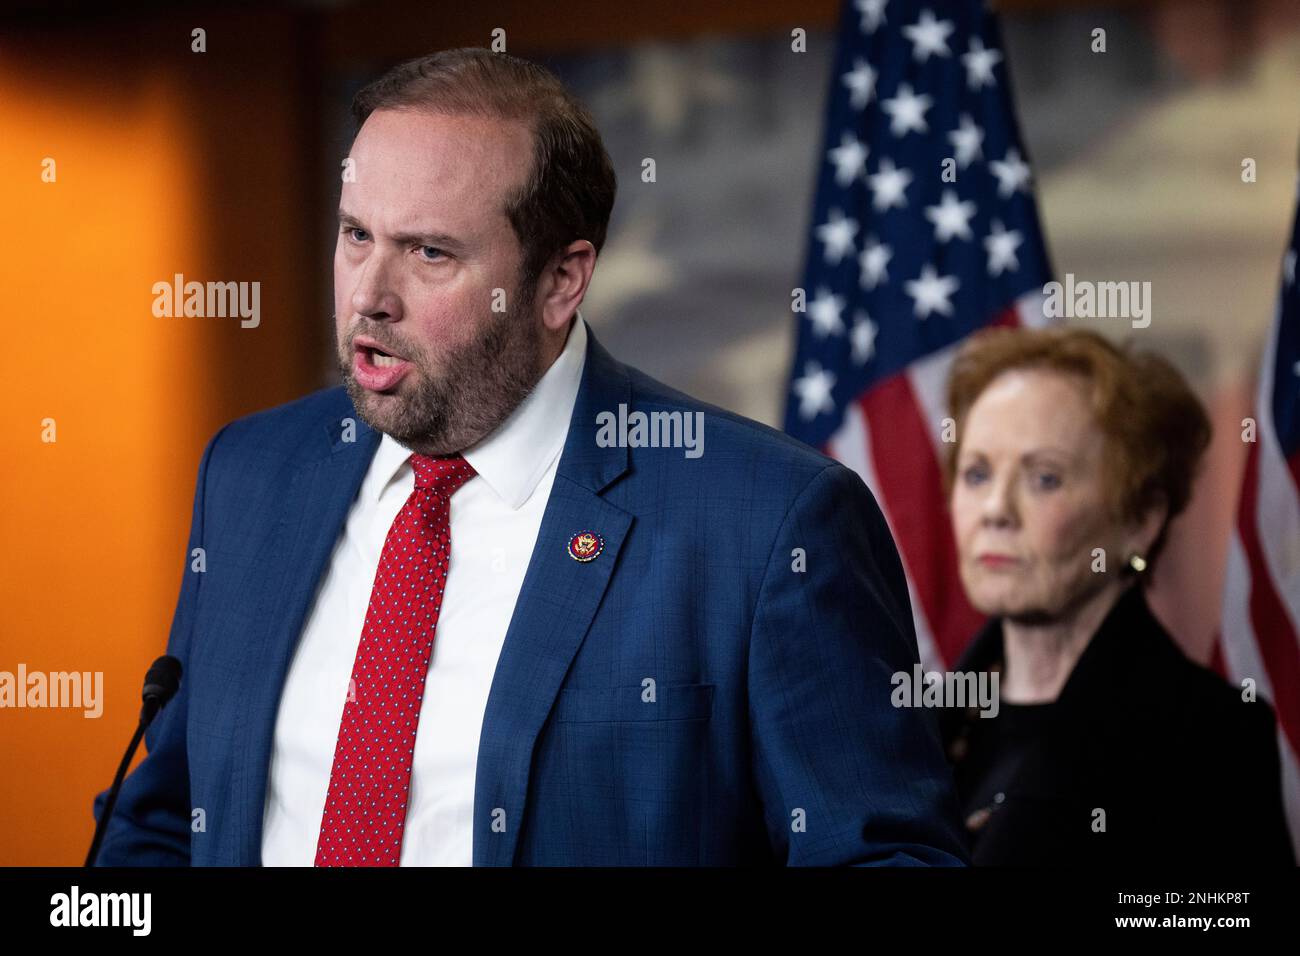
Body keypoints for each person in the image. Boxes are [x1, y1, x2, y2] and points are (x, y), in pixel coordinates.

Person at [91, 48, 968, 866]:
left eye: (429, 252)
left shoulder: (768, 523)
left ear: (560, 281)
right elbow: (164, 821)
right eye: (357, 235)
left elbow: (883, 858)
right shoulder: (252, 472)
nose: (369, 295)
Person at [938, 325, 1294, 865]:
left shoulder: (1209, 739)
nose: (995, 509)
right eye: (977, 473)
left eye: (1045, 478)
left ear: (1141, 519)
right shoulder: (918, 723)